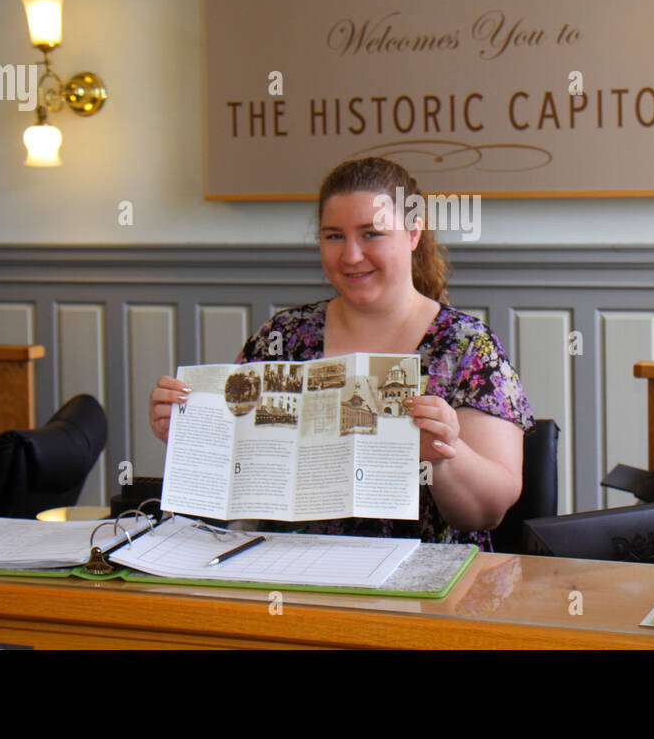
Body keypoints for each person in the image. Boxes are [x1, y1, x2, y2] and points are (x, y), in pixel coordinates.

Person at [149, 156, 533, 550]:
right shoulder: (282, 337)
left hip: (423, 588)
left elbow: (489, 511)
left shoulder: (466, 346)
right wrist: (192, 433)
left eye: (371, 234)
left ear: (414, 233)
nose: (350, 255)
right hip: (286, 576)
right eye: (333, 236)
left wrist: (444, 456)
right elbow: (242, 483)